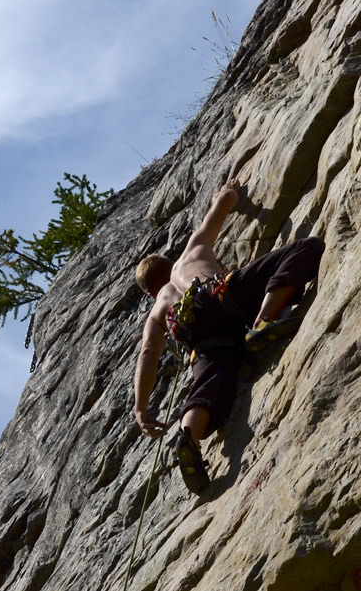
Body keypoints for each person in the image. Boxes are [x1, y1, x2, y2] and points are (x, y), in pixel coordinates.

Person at [131, 178, 325, 495]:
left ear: (151, 290)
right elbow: (216, 213)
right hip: (219, 294)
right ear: (170, 264)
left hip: (194, 331)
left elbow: (148, 354)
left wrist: (141, 408)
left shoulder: (157, 308)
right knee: (307, 248)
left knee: (209, 380)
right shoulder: (190, 255)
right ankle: (263, 322)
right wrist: (229, 193)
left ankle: (189, 435)